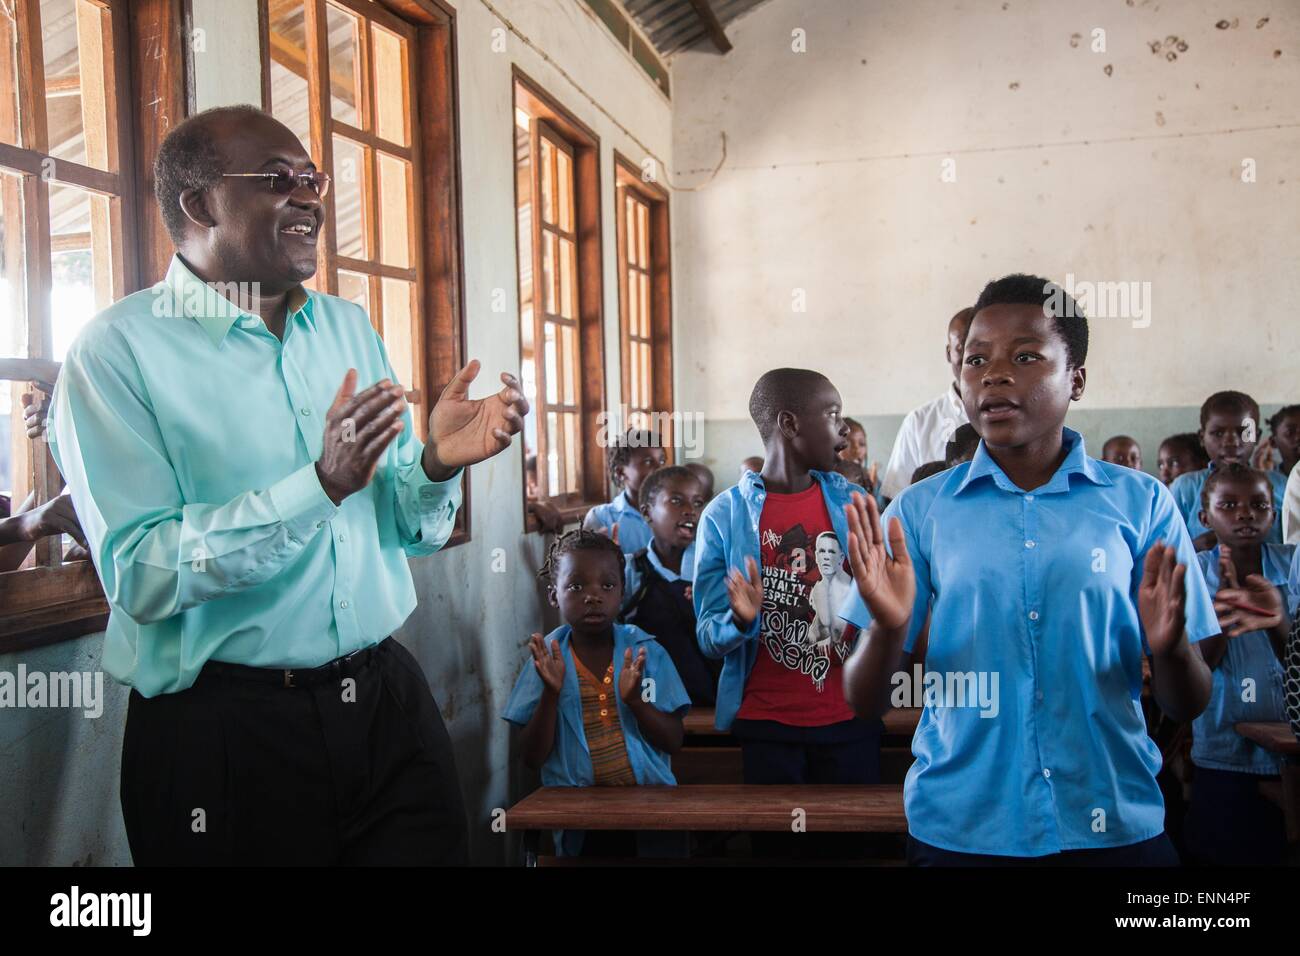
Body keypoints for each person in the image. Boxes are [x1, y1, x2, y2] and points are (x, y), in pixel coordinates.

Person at [50, 105, 528, 866]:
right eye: (279, 180)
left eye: (313, 178)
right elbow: (141, 574)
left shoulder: (346, 326)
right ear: (202, 205)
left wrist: (435, 462)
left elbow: (405, 526)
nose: (310, 197)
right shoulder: (117, 353)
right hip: (226, 737)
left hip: (384, 703)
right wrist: (320, 486)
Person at [840, 274, 1216, 865]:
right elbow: (864, 703)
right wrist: (889, 630)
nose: (994, 374)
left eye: (1026, 356)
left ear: (1077, 380)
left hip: (1112, 820)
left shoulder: (1142, 503)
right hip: (962, 827)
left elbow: (1188, 702)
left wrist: (1169, 649)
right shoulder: (918, 511)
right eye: (976, 359)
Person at [694, 368, 878, 856]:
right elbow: (707, 635)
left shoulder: (854, 503)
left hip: (848, 717)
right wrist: (740, 620)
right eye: (832, 415)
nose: (842, 431)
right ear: (790, 425)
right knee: (781, 854)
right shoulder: (725, 515)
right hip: (767, 724)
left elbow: (880, 604)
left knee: (852, 852)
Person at [503, 529, 689, 858]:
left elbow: (672, 740)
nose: (593, 596)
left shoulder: (645, 652)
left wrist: (636, 701)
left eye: (607, 585)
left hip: (649, 806)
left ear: (623, 590)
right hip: (582, 816)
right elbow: (531, 758)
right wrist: (550, 693)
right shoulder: (547, 657)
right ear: (553, 595)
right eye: (576, 586)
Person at [1183, 464, 1291, 865]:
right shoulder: (1195, 571)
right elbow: (1199, 667)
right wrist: (1222, 614)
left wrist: (1277, 619)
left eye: (1258, 505)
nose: (1245, 513)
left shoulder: (1293, 565)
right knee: (1222, 850)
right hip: (1222, 750)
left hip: (1289, 753)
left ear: (1273, 515)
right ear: (1205, 517)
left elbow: (1294, 665)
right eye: (1229, 505)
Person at [619, 466, 719, 706]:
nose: (690, 511)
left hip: (710, 698)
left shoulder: (712, 568)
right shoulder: (630, 570)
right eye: (676, 500)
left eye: (697, 503)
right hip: (651, 701)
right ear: (646, 512)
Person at [1170, 391, 1288, 549]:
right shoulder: (1186, 488)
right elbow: (1167, 547)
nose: (1231, 442)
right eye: (1218, 433)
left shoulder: (1280, 485)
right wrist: (1194, 547)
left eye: (1243, 432)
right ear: (1202, 437)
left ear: (1257, 436)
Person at [879, 307, 973, 500]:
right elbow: (895, 497)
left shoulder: (1014, 415)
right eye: (963, 347)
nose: (972, 357)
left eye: (982, 347)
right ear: (949, 353)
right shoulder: (919, 422)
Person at [582, 428, 664, 554]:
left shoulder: (674, 513)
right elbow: (589, 567)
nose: (660, 469)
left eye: (662, 461)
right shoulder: (602, 518)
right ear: (621, 472)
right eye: (648, 462)